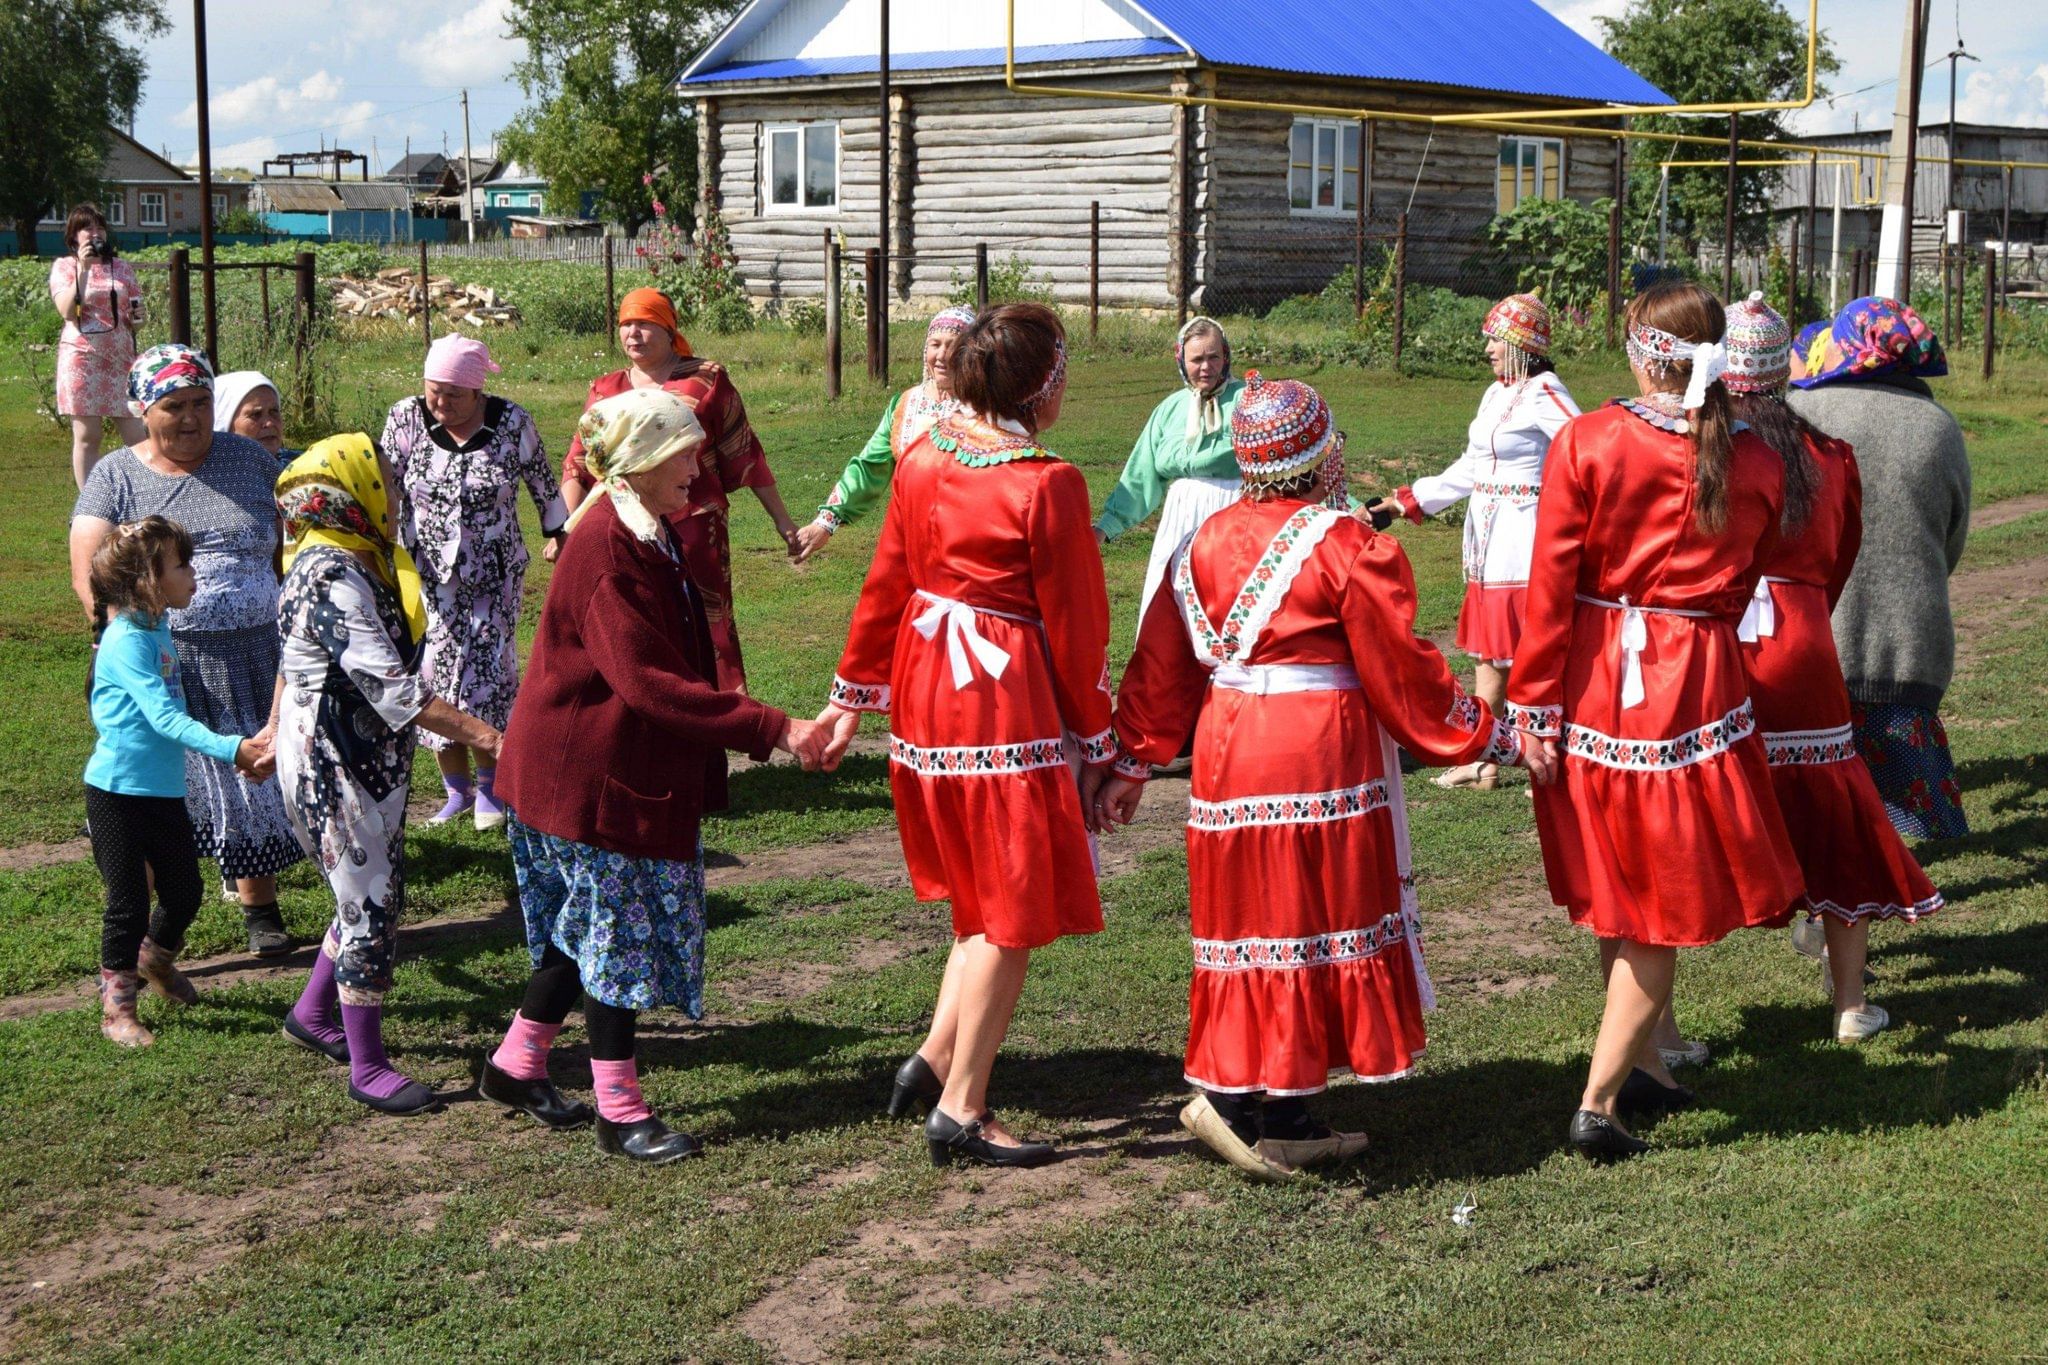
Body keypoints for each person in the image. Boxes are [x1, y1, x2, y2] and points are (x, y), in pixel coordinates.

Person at [1100, 374, 1543, 1181]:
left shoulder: (1202, 540)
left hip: (1229, 748)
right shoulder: (1347, 545)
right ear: (1316, 456)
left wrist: (1134, 760)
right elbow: (1404, 675)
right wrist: (1494, 733)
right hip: (1316, 752)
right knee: (1310, 912)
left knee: (1256, 919)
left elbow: (1162, 662)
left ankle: (1286, 1106)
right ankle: (1236, 1100)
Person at [481, 388, 831, 1162]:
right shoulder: (608, 543)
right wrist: (778, 728)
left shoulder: (641, 524)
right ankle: (620, 1110)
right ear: (638, 461)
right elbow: (647, 683)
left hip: (587, 770)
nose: (698, 472)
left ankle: (514, 1063)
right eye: (684, 455)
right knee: (616, 942)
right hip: (590, 780)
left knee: (589, 932)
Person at [1507, 282, 1803, 1162]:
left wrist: (1534, 705)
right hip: (1694, 685)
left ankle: (1623, 1081)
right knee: (1654, 901)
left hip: (1602, 678)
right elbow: (1745, 582)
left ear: (1642, 353)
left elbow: (1550, 585)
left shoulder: (1589, 441)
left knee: (1628, 893)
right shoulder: (1757, 462)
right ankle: (1613, 1091)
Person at [816, 303, 1114, 1170]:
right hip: (999, 697)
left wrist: (850, 700)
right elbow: (1077, 625)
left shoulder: (926, 451)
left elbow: (887, 580)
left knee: (978, 895)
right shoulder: (1044, 480)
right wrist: (1099, 740)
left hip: (925, 691)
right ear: (1041, 387)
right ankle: (963, 1107)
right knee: (1011, 906)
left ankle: (936, 1054)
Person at [1722, 293, 1942, 1043]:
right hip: (1808, 641)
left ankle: (1658, 1026)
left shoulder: (1707, 450)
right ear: (1785, 368)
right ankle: (1849, 1003)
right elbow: (1840, 559)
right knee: (1837, 816)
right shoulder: (1828, 456)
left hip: (1724, 644)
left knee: (1703, 805)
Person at [271, 436, 505, 1115]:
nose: (396, 496)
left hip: (361, 761)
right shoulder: (330, 573)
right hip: (333, 768)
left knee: (362, 889)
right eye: (387, 485)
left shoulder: (352, 555)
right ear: (352, 496)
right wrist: (492, 738)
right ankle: (367, 1066)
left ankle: (313, 1014)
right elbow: (396, 693)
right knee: (371, 905)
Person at [70, 345, 304, 958]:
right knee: (158, 793)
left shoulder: (250, 459)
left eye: (202, 403)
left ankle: (260, 908)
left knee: (254, 779)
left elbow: (282, 547)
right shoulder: (116, 475)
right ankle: (136, 928)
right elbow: (90, 573)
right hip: (166, 658)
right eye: (174, 406)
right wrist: (134, 646)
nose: (192, 418)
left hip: (256, 650)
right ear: (144, 409)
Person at [1371, 293, 1579, 791]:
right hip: (1487, 534)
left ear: (1523, 345)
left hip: (1526, 534)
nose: (1487, 348)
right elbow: (1471, 466)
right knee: (1492, 651)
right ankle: (1484, 758)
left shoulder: (1544, 389)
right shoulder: (1494, 394)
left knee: (1531, 646)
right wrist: (1406, 502)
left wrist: (1565, 503)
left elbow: (1584, 443)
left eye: (1497, 340)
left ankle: (1551, 754)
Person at [83, 516, 274, 1046]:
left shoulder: (156, 628)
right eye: (183, 565)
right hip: (117, 794)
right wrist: (234, 747)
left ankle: (154, 962)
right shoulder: (126, 642)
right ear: (149, 578)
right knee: (127, 901)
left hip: (163, 790)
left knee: (186, 892)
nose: (195, 574)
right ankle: (117, 1010)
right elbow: (164, 719)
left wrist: (231, 751)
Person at [557, 287, 801, 691]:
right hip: (621, 529)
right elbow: (579, 462)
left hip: (694, 525)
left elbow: (745, 451)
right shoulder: (605, 388)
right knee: (637, 621)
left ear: (669, 330)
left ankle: (727, 720)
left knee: (708, 621)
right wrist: (571, 527)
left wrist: (784, 522)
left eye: (644, 323)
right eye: (625, 324)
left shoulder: (705, 379)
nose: (633, 333)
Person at [1790, 298, 1970, 841]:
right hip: (1910, 632)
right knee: (1899, 773)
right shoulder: (1938, 426)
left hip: (1816, 629)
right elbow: (1952, 536)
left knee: (1814, 779)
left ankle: (1824, 868)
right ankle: (1901, 846)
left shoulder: (1807, 414)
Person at [382, 335, 567, 830]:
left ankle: (492, 787)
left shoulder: (512, 422)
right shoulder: (405, 419)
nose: (440, 404)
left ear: (478, 390)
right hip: (426, 576)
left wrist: (560, 534)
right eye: (433, 392)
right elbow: (386, 484)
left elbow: (543, 483)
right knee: (434, 674)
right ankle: (455, 790)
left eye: (453, 395)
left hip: (495, 574)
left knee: (488, 670)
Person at [1093, 317, 1248, 616]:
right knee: (1174, 608)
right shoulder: (1170, 409)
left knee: (1227, 605)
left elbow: (1291, 459)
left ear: (1226, 356)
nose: (1206, 367)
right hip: (1181, 520)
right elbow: (1142, 475)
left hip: (1235, 514)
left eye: (1214, 357)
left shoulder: (1248, 400)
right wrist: (1106, 527)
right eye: (1197, 359)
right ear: (1181, 360)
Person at [795, 306, 976, 560]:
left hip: (967, 543)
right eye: (935, 344)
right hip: (910, 540)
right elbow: (869, 468)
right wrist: (825, 522)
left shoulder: (985, 408)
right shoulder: (905, 405)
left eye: (953, 345)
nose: (942, 355)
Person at [49, 204, 146, 489]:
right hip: (82, 360)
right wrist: (83, 270)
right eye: (87, 228)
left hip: (120, 360)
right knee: (88, 436)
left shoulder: (122, 268)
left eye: (99, 227)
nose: (95, 233)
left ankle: (145, 496)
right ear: (73, 237)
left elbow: (135, 315)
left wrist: (139, 321)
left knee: (137, 435)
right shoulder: (64, 267)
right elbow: (67, 311)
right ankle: (89, 507)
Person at [213, 371, 297, 463]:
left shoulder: (303, 467)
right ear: (224, 423)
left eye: (274, 411)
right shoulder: (210, 476)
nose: (269, 423)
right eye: (255, 415)